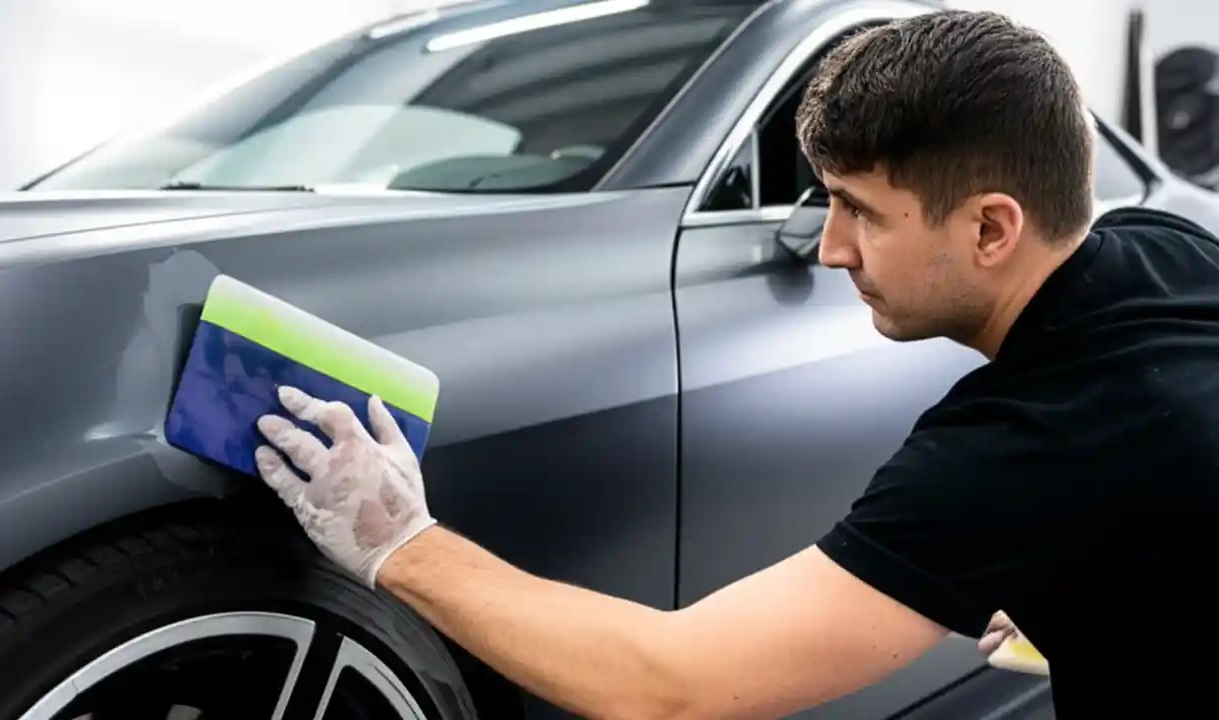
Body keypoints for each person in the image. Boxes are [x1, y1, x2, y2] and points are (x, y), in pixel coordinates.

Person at [253, 9, 1219, 719]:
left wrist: (400, 542)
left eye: (862, 212)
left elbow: (670, 684)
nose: (833, 248)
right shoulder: (1161, 249)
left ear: (992, 227)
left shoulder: (1022, 445)